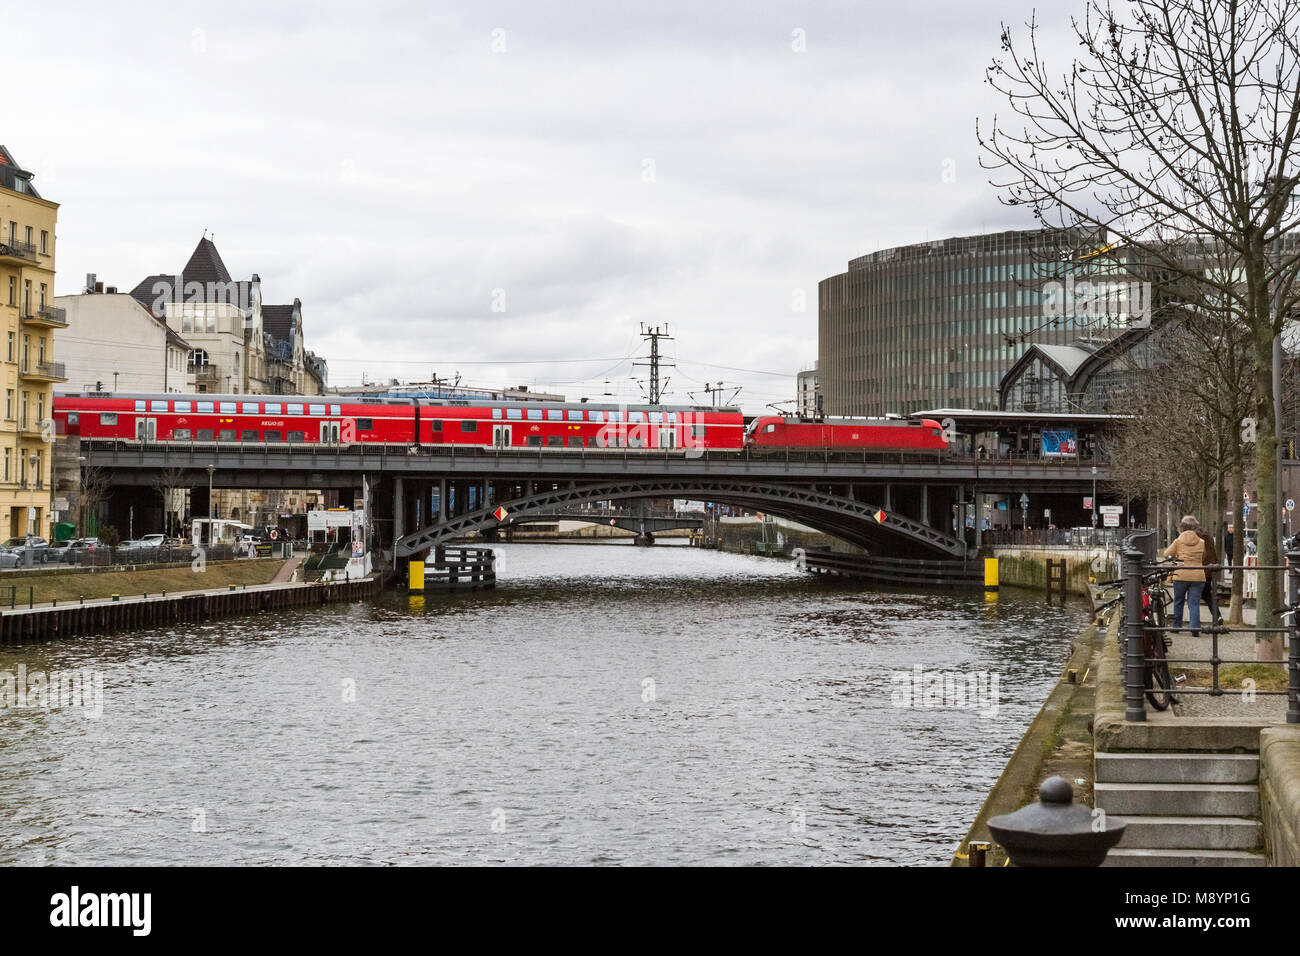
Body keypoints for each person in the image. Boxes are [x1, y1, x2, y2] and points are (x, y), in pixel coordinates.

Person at [1165, 515, 1207, 635]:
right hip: (1198, 576)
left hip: (1180, 574)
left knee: (1178, 601)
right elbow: (1203, 558)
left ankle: (1177, 626)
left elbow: (1166, 554)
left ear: (1182, 527)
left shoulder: (1178, 542)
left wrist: (1176, 557)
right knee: (1194, 603)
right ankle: (1194, 629)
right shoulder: (1201, 542)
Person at [1195, 524, 1222, 626]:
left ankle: (1195, 624)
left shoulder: (1196, 539)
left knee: (1194, 598)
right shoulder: (1209, 538)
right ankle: (1218, 616)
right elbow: (1214, 553)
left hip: (1198, 571)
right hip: (1209, 571)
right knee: (1208, 596)